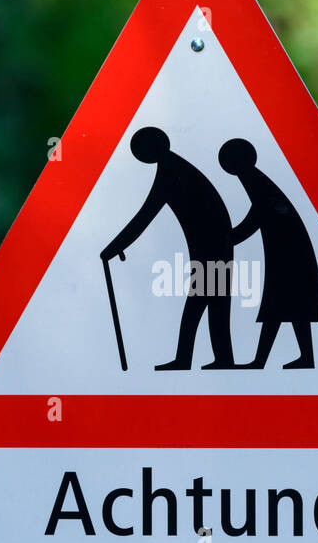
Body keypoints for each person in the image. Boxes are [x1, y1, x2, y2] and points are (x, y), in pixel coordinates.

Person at [101, 127, 237, 370]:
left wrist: (113, 248)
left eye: (140, 149)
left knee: (202, 304)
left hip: (211, 248)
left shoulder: (170, 172)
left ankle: (194, 359)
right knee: (212, 304)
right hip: (214, 247)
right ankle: (216, 358)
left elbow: (144, 216)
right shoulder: (175, 167)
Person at [217, 137, 318, 368]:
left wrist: (228, 239)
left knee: (285, 304)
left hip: (288, 251)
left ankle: (288, 359)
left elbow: (258, 214)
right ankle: (272, 360)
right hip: (285, 248)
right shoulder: (254, 177)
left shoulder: (253, 179)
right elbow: (260, 213)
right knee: (285, 305)